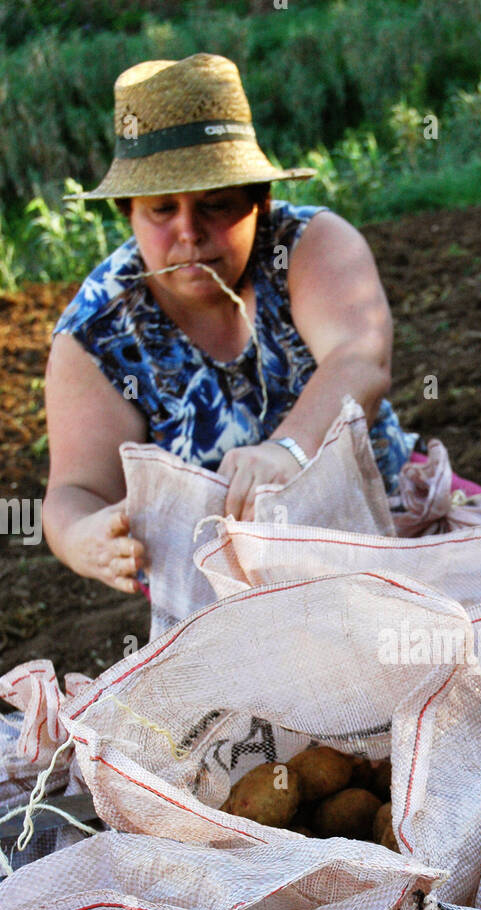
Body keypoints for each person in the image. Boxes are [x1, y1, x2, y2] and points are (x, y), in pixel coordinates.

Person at [43, 53, 423, 596]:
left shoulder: (310, 245)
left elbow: (358, 358)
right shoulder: (97, 331)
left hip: (390, 527)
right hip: (227, 595)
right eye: (161, 209)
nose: (189, 232)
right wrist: (82, 537)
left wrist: (287, 450)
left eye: (216, 205)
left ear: (259, 200)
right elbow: (75, 489)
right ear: (128, 212)